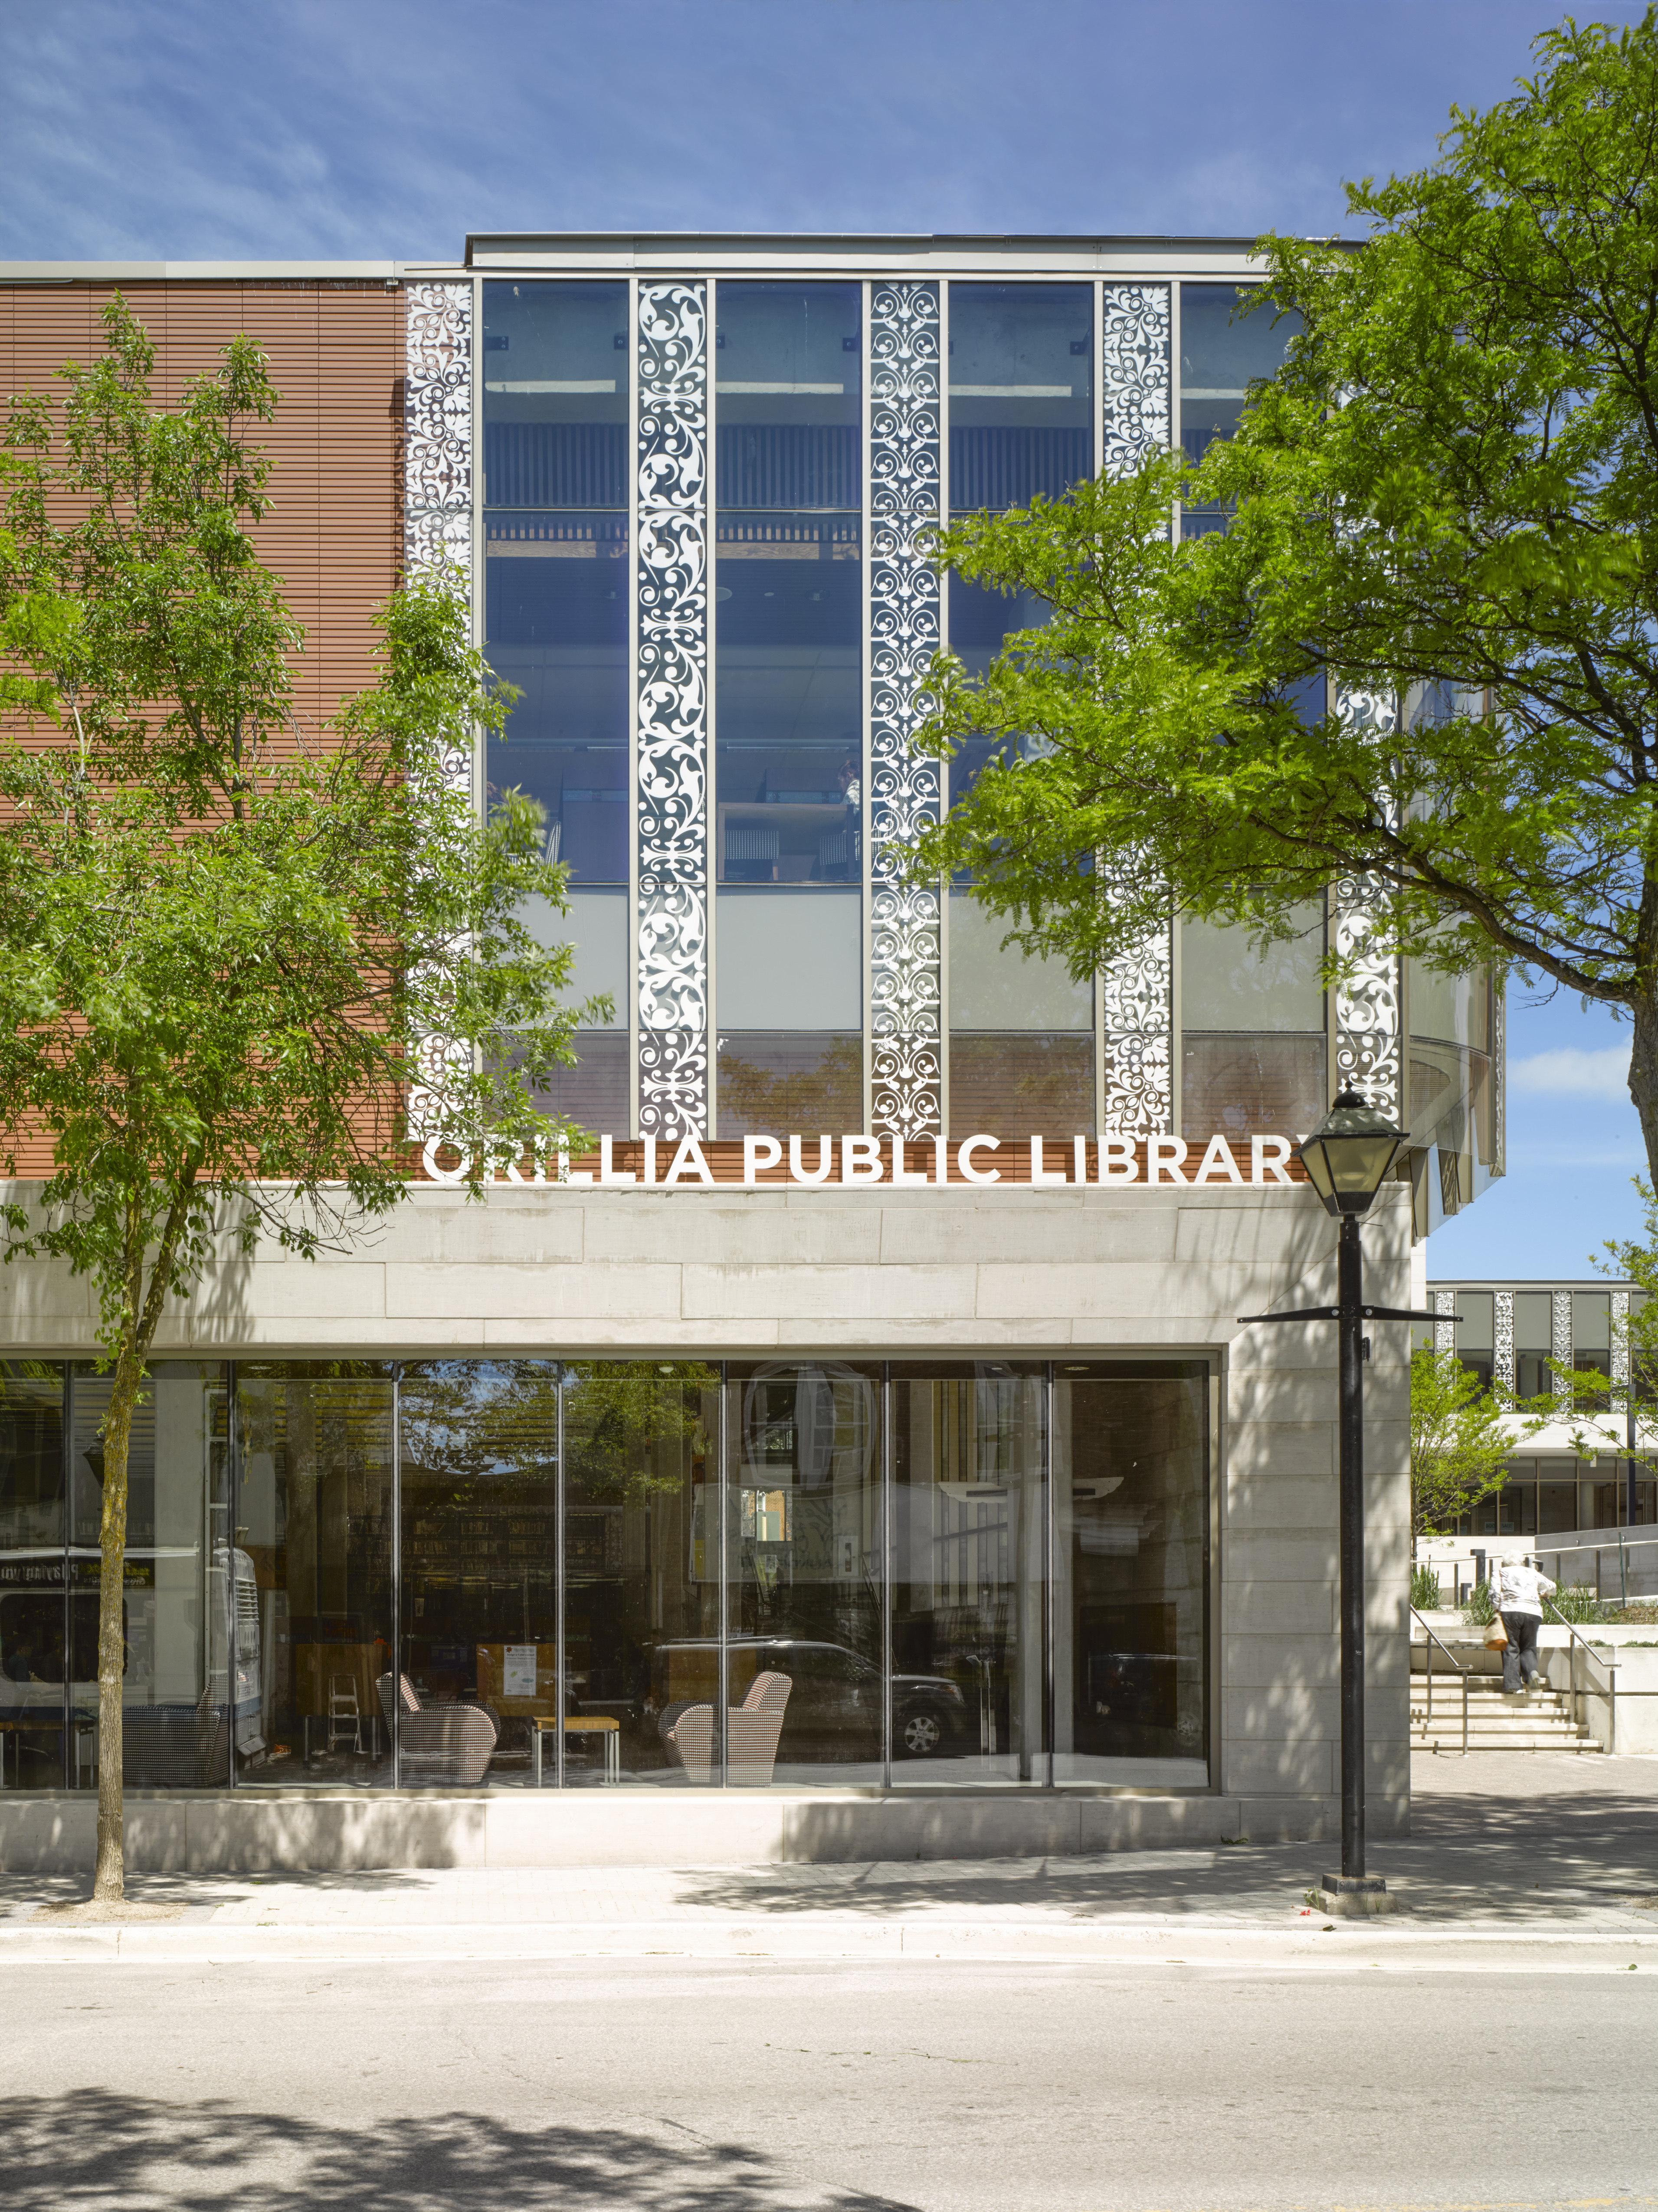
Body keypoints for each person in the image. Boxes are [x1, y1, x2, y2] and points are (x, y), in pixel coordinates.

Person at [1492, 1553, 1556, 1695]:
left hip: (1510, 1611)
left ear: (1504, 1563)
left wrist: (1497, 1608)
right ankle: (1532, 1672)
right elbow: (1552, 1587)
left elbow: (1495, 1593)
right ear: (1521, 1562)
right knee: (1528, 1647)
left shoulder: (1500, 1573)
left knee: (1511, 1647)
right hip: (1533, 1612)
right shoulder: (1532, 1572)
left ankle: (1514, 1686)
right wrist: (1545, 1593)